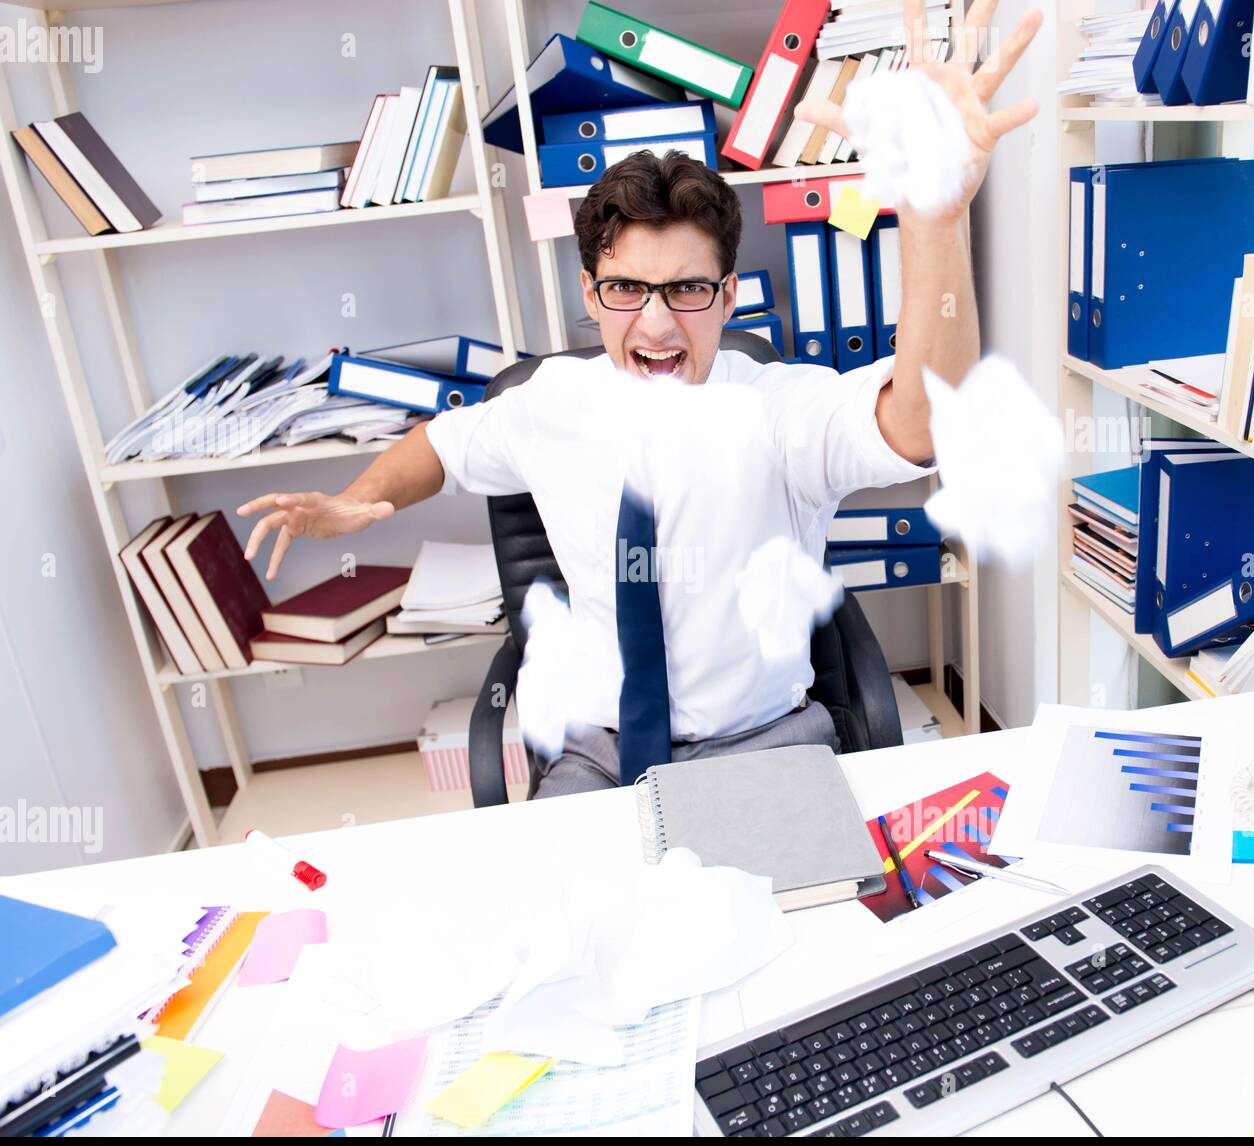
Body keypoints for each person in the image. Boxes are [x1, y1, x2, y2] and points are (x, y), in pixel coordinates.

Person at [238, 1, 1042, 797]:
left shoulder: (776, 409)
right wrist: (358, 498)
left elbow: (924, 419)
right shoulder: (549, 400)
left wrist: (935, 216)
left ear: (728, 298)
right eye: (627, 288)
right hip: (601, 755)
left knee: (803, 921)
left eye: (687, 288)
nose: (656, 322)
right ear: (590, 293)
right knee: (555, 925)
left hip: (763, 746)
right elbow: (442, 448)